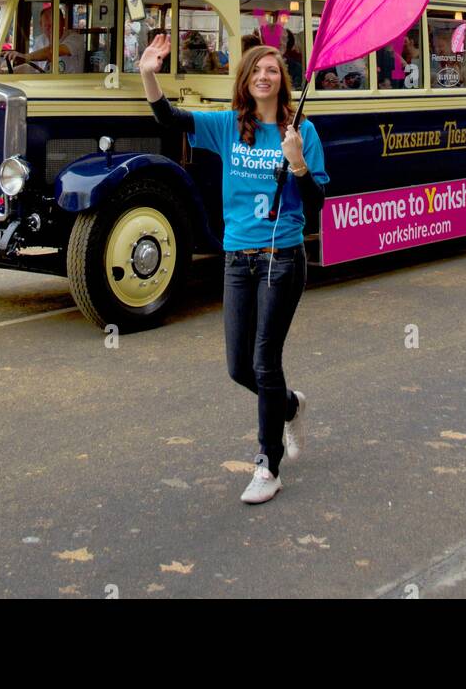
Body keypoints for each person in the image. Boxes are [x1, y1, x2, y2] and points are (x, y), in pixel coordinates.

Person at [139, 35, 329, 505]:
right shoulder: (228, 126)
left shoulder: (300, 131)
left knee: (265, 361)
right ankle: (288, 405)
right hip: (236, 258)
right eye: (254, 71)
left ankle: (268, 466)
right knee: (238, 366)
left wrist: (299, 164)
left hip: (282, 258)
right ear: (244, 82)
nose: (263, 76)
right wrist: (149, 74)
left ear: (281, 80)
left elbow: (318, 204)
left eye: (271, 70)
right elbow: (171, 118)